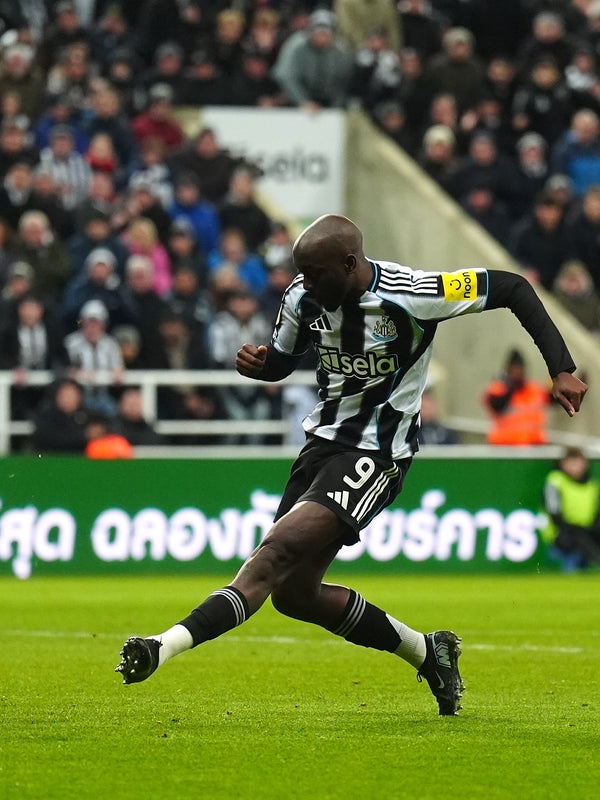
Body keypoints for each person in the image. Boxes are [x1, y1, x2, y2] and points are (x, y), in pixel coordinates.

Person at [115, 214, 587, 716]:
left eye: (317, 274)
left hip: (378, 454)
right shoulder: (302, 296)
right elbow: (283, 358)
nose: (307, 285)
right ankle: (429, 652)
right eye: (303, 274)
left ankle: (160, 646)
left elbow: (512, 287)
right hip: (320, 448)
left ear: (349, 263)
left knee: (272, 555)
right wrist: (261, 365)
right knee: (294, 596)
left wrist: (560, 367)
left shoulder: (414, 293)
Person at [541, 447, 600, 571]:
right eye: (572, 464)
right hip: (560, 533)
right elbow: (554, 513)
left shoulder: (591, 484)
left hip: (586, 531)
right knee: (579, 540)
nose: (576, 468)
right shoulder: (556, 481)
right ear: (563, 464)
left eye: (579, 463)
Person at [483, 349, 551, 446]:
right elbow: (497, 406)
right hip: (504, 447)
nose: (518, 373)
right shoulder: (498, 389)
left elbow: (554, 398)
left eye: (520, 369)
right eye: (515, 369)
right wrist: (510, 387)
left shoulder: (535, 389)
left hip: (534, 447)